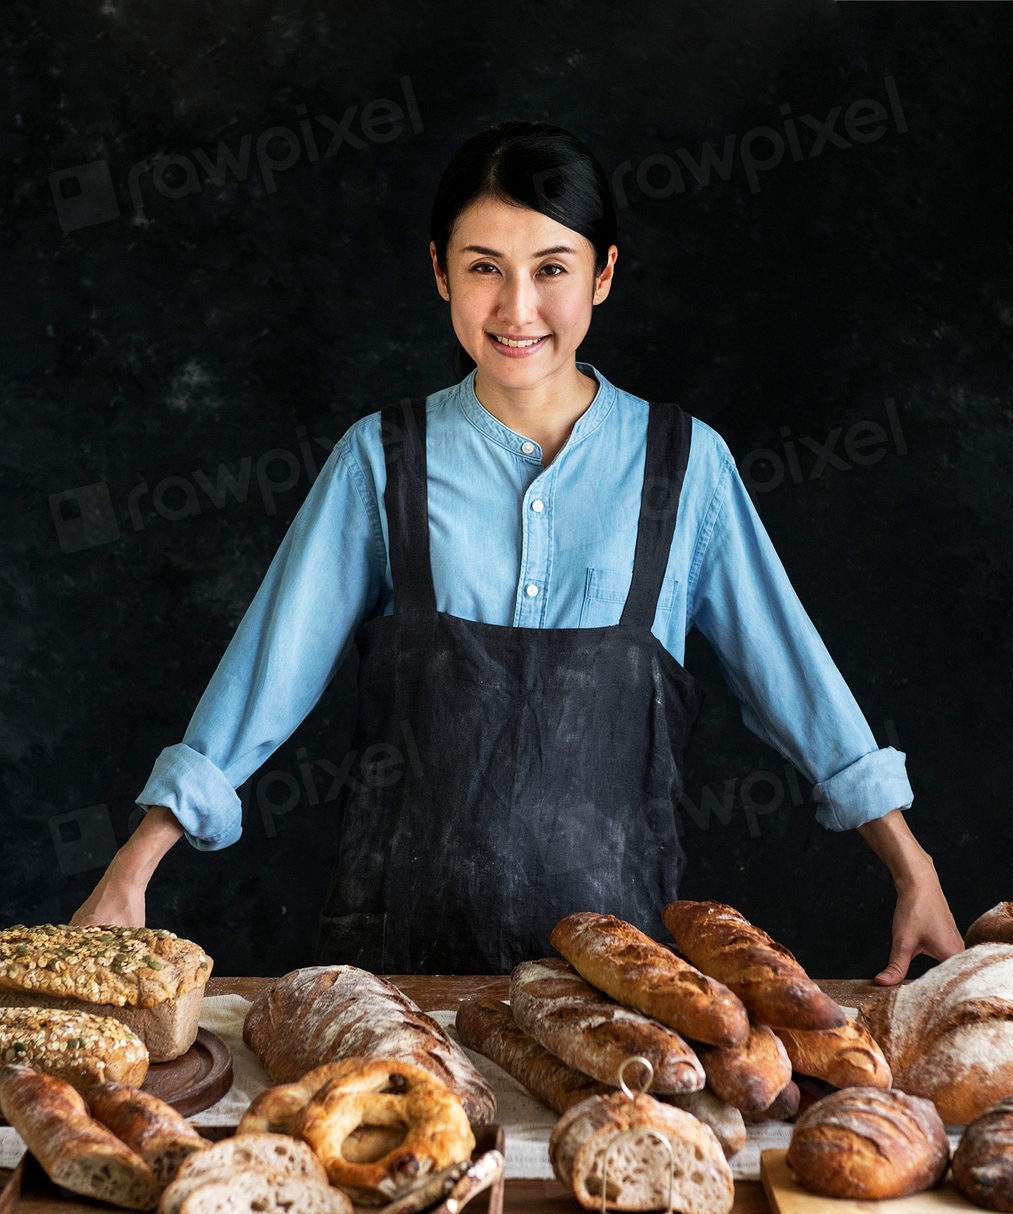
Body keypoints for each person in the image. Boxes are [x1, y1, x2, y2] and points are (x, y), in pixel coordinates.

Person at [72, 120, 964, 981]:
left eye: (552, 269)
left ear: (604, 274)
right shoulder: (382, 460)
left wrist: (909, 867)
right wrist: (137, 860)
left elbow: (793, 674)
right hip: (400, 977)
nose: (517, 309)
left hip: (619, 978)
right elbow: (270, 668)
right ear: (439, 272)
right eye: (484, 269)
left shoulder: (684, 465)